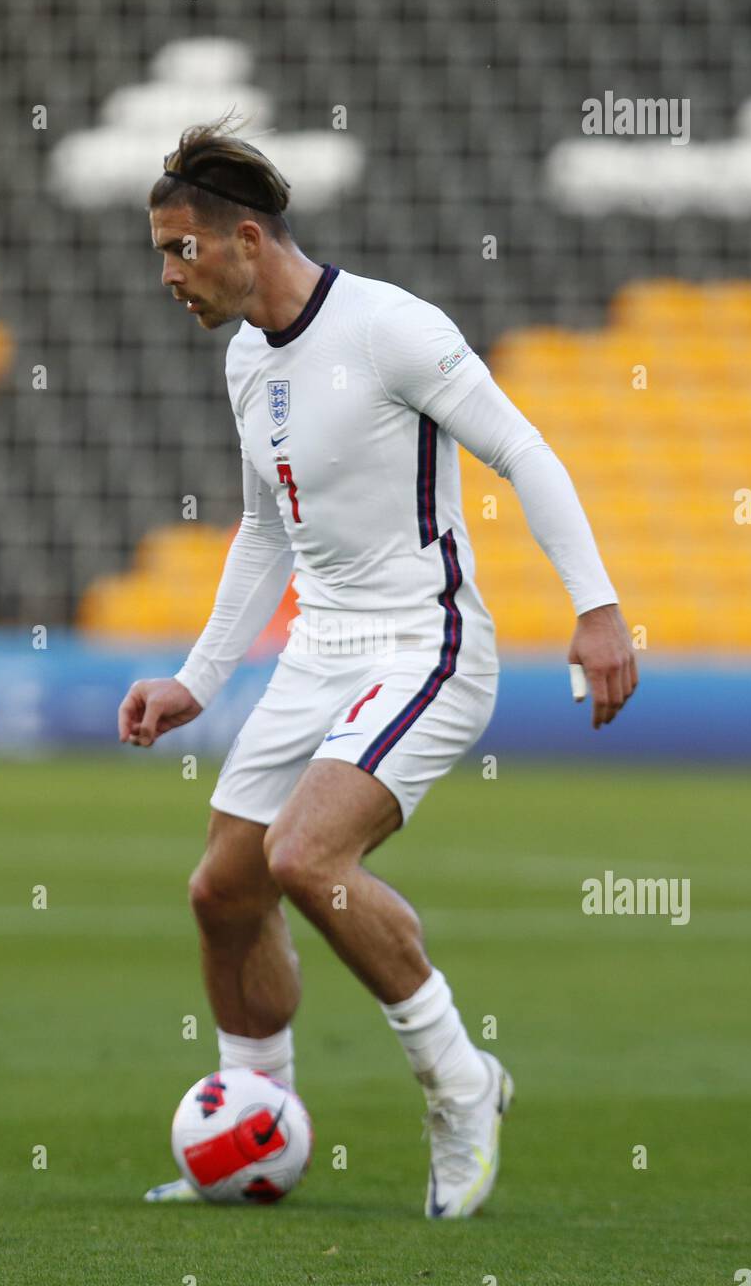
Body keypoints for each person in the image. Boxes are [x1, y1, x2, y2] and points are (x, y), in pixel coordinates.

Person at [118, 116, 637, 1218]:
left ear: (245, 238)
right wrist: (199, 681)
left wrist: (596, 607)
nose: (167, 272)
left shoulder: (392, 327)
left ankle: (462, 1086)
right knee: (222, 891)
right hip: (319, 652)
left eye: (179, 249)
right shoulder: (246, 360)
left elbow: (522, 450)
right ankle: (254, 1125)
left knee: (308, 857)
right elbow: (266, 531)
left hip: (425, 644)